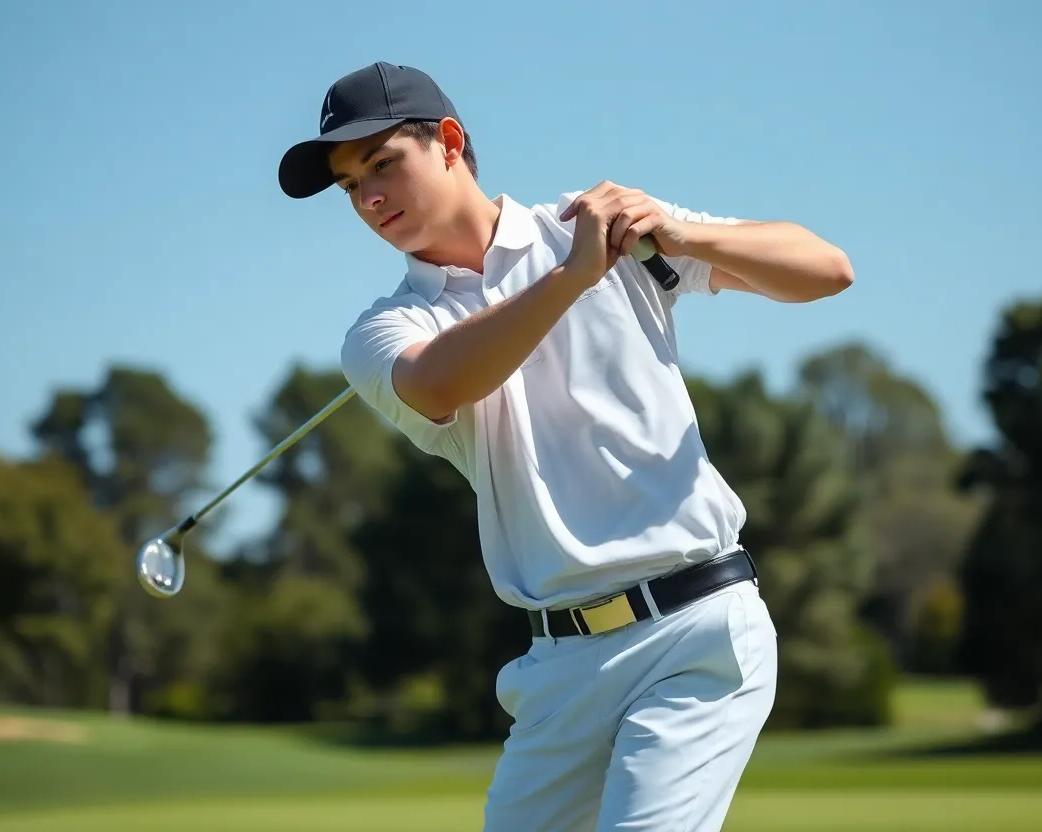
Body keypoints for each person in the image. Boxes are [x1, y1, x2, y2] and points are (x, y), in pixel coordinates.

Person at [278, 61, 853, 831]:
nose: (370, 198)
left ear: (449, 142)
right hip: (559, 668)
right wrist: (573, 278)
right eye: (351, 186)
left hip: (696, 627)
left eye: (383, 164)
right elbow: (443, 384)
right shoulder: (385, 332)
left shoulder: (585, 228)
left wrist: (678, 233)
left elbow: (826, 270)